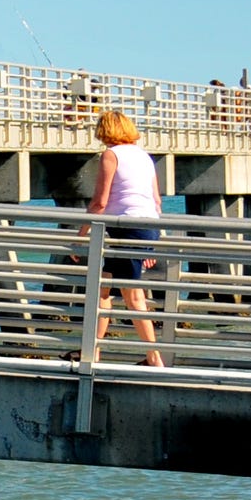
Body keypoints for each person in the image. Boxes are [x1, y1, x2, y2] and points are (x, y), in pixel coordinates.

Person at [85, 108, 167, 368]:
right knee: (104, 288)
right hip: (146, 226)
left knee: (133, 297)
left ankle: (155, 359)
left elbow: (100, 202)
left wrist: (80, 235)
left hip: (126, 229)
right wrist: (150, 243)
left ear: (105, 130)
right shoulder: (144, 156)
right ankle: (93, 350)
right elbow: (156, 201)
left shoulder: (111, 155)